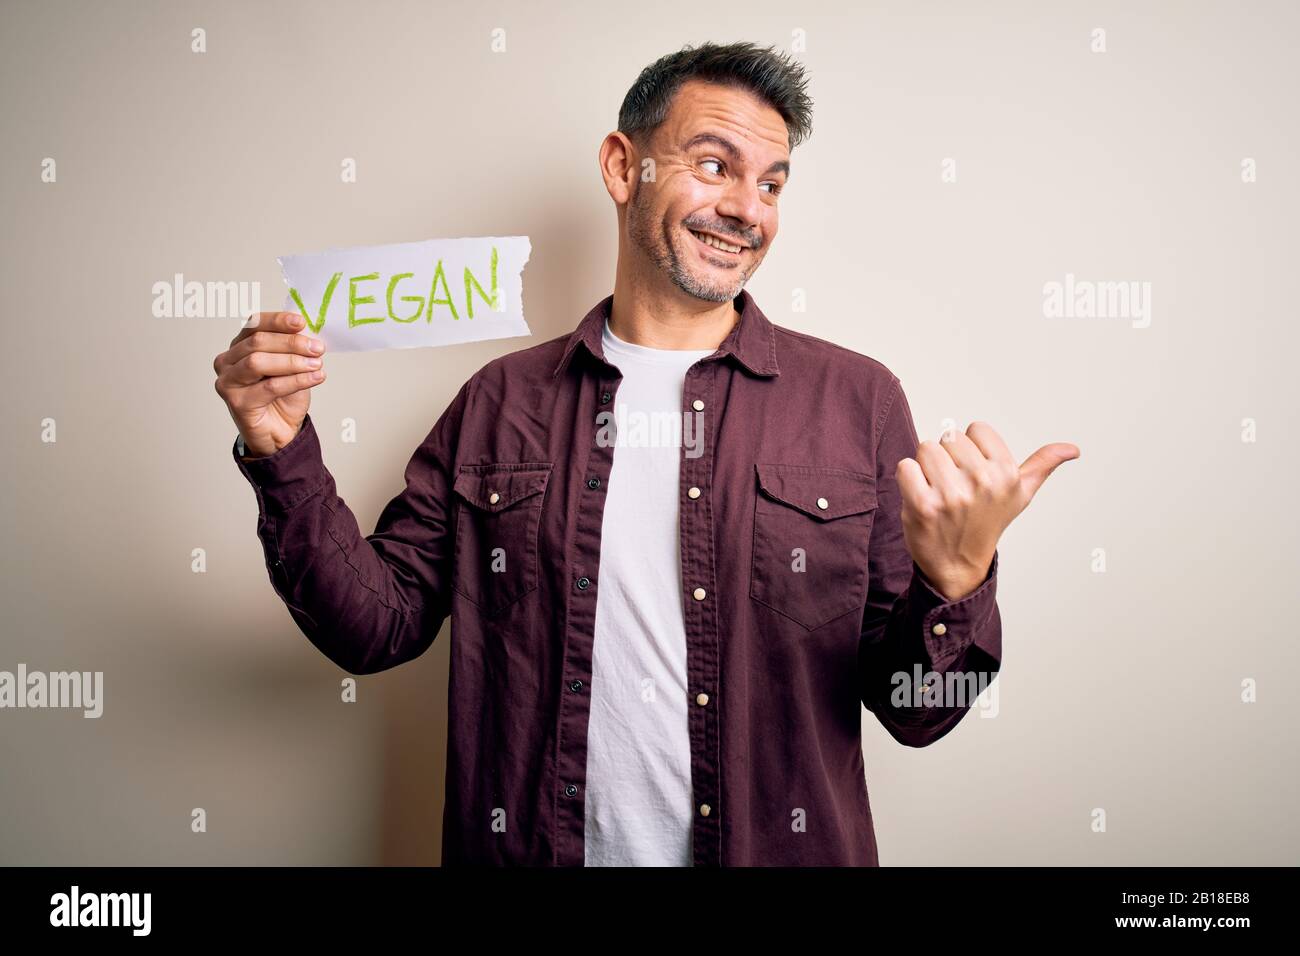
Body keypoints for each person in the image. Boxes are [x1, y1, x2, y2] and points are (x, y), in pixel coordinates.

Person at [212, 40, 1078, 866]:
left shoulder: (856, 401)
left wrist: (956, 587)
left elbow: (919, 715)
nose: (749, 209)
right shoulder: (500, 402)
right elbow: (375, 629)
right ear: (625, 168)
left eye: (772, 183)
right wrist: (281, 449)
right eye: (715, 166)